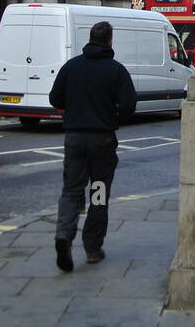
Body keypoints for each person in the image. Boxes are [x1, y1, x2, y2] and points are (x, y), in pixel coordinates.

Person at [49, 20, 137, 272]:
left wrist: (74, 109)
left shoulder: (71, 66)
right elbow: (129, 106)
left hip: (74, 139)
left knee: (71, 190)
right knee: (98, 193)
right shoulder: (116, 70)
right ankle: (93, 248)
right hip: (102, 141)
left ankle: (64, 235)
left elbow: (55, 98)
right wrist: (111, 114)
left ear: (89, 39)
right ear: (110, 41)